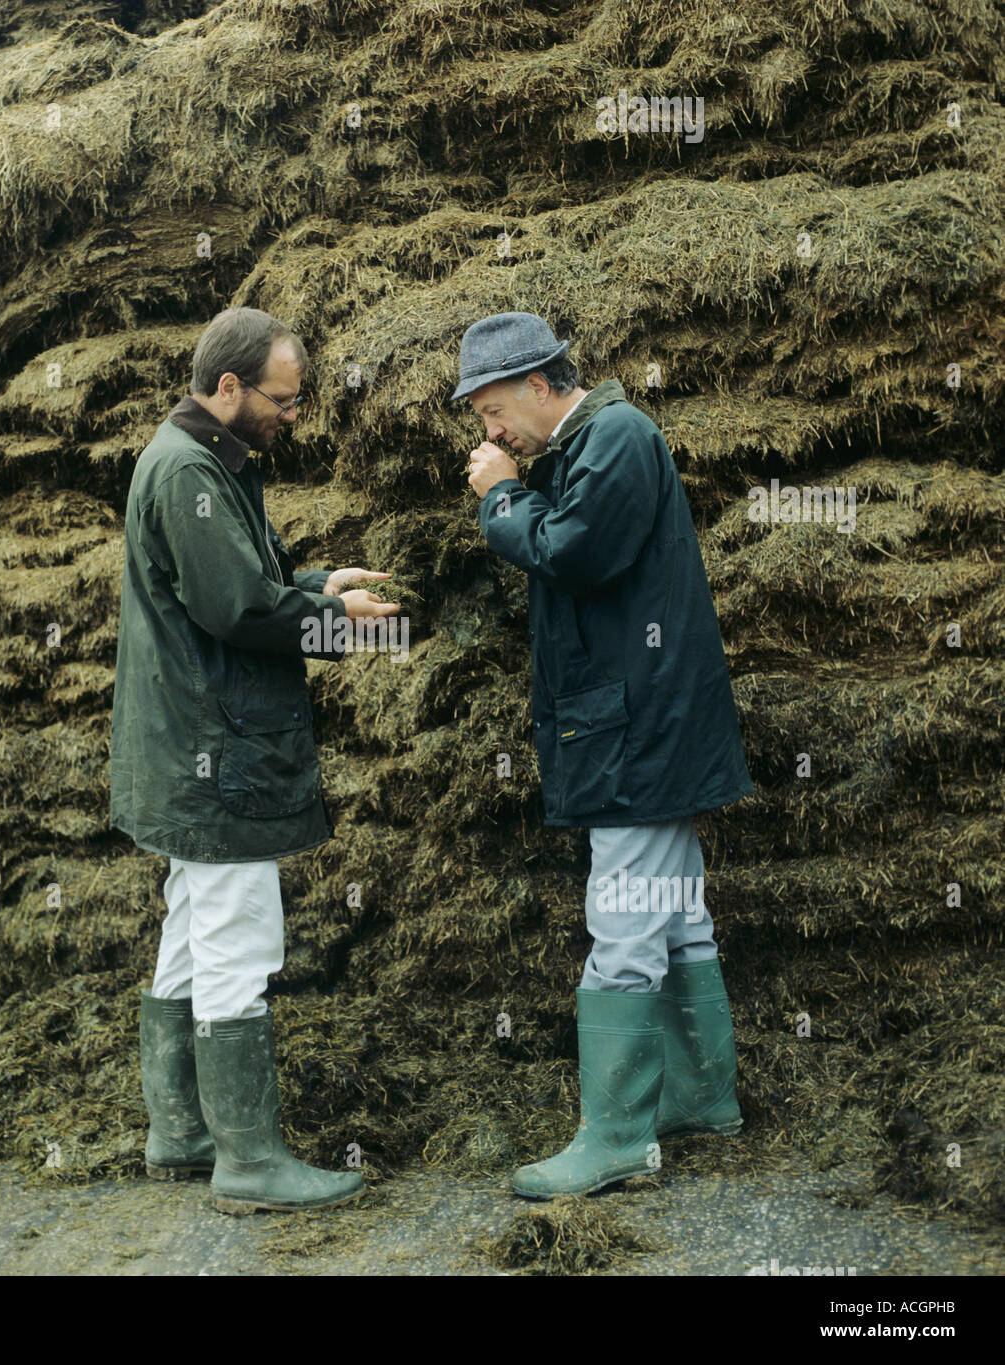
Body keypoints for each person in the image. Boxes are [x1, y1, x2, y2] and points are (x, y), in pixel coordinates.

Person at [456, 312, 754, 1197]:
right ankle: (699, 1096)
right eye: (481, 422)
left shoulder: (616, 435)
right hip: (641, 726)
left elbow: (573, 551)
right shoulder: (592, 445)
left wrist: (502, 494)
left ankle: (618, 1138)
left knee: (623, 920)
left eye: (493, 411)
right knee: (671, 911)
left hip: (642, 734)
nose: (490, 433)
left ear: (542, 383)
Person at [110, 306, 398, 1214]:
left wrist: (318, 584)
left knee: (193, 926)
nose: (295, 413)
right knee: (237, 933)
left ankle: (182, 1131)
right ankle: (249, 1161)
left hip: (193, 742)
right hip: (217, 747)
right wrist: (336, 625)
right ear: (226, 387)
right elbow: (235, 610)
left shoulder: (202, 460)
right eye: (282, 398)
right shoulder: (189, 470)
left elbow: (247, 582)